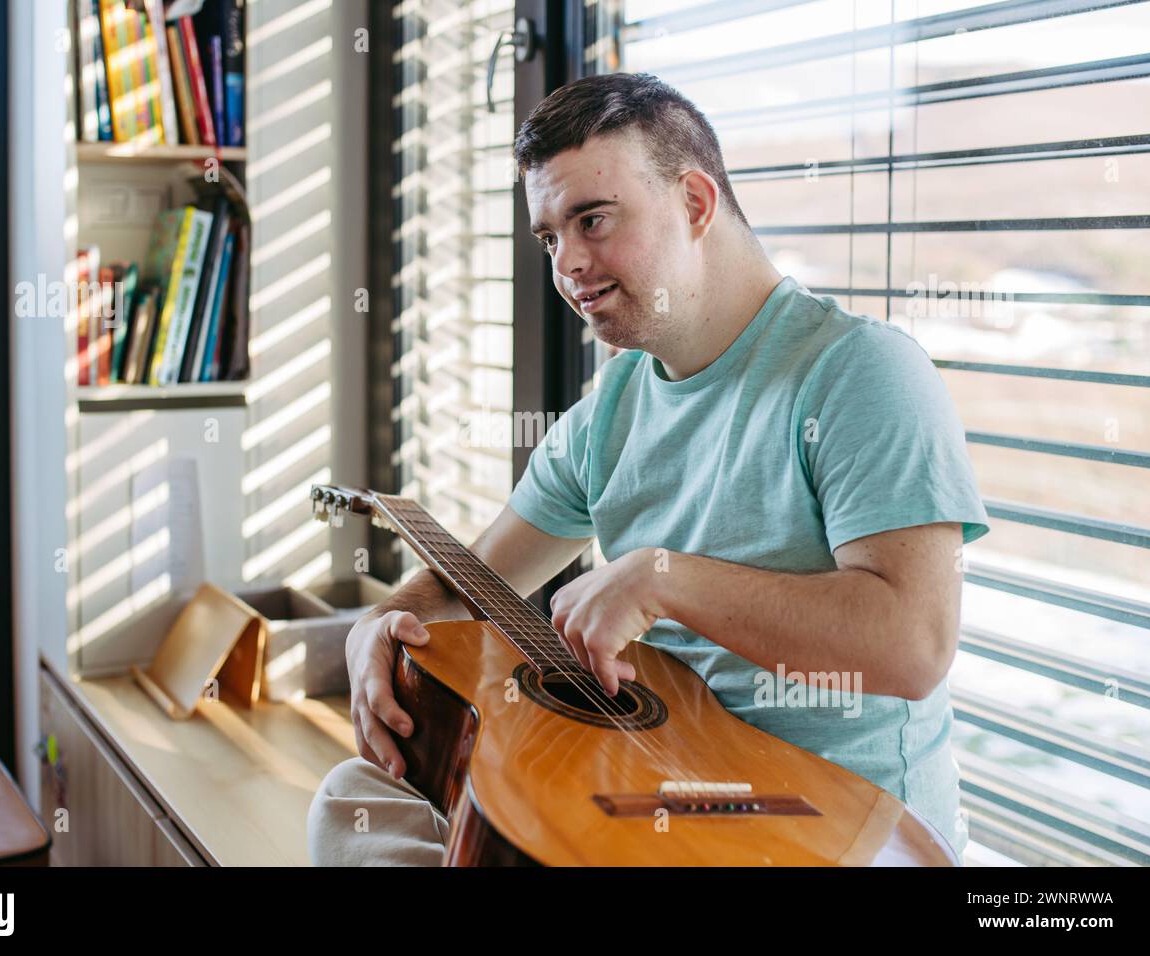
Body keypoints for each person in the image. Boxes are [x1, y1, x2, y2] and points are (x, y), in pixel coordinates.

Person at [306, 72, 988, 866]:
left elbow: (913, 646)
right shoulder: (616, 404)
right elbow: (471, 583)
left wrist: (667, 579)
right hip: (654, 788)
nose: (568, 265)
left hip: (828, 826)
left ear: (696, 204)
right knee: (354, 799)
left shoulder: (860, 372)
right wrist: (378, 626)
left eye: (592, 219)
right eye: (550, 236)